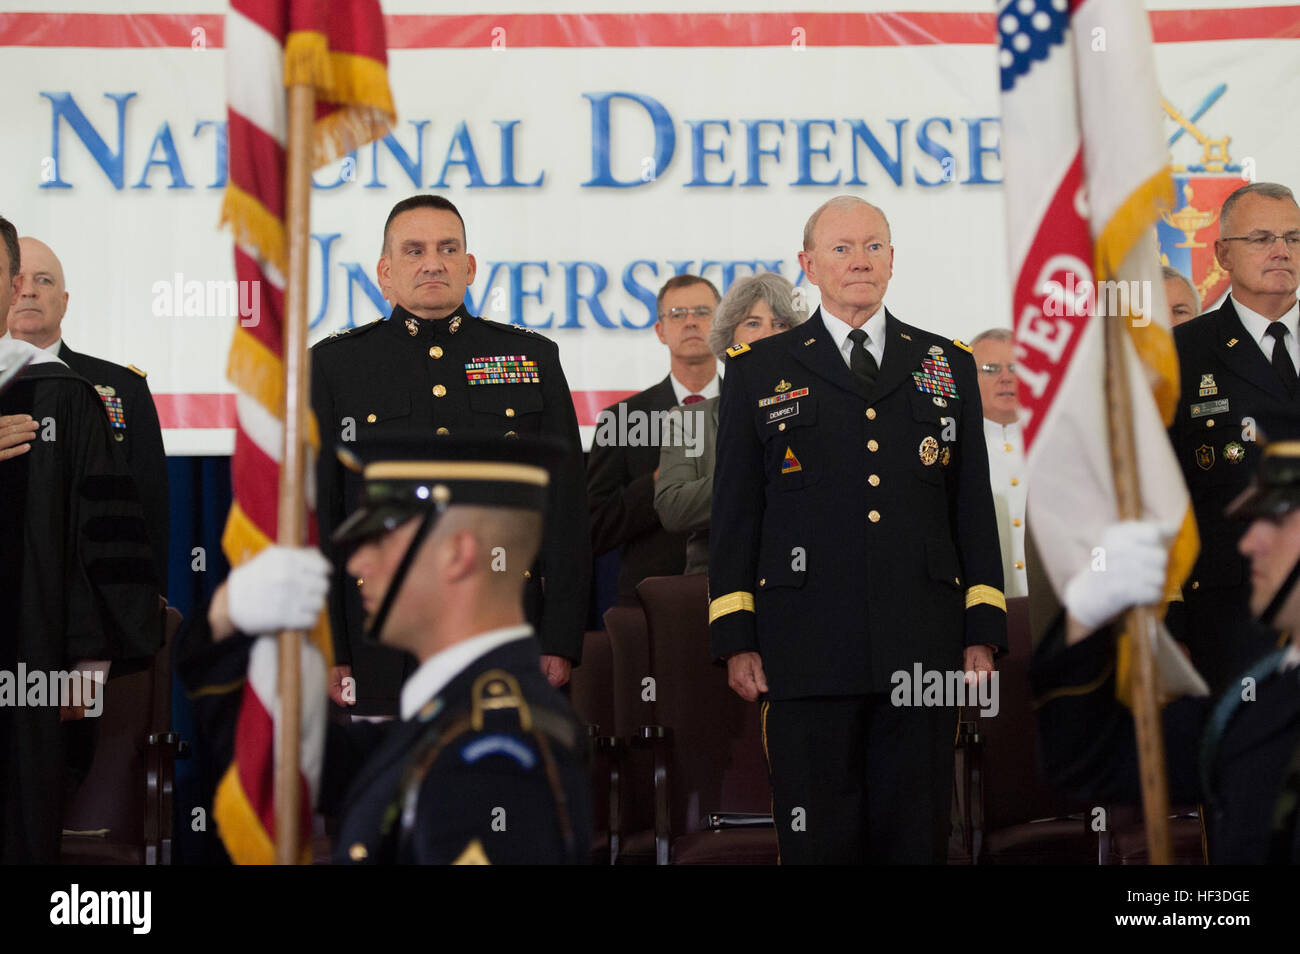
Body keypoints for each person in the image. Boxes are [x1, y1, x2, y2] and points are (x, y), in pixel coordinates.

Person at [708, 195, 1007, 863]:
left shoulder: (946, 364)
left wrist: (981, 630)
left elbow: (969, 507)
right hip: (805, 644)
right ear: (808, 264)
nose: (859, 260)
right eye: (841, 248)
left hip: (921, 641)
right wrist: (735, 635)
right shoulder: (760, 368)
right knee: (821, 843)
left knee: (917, 839)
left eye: (873, 246)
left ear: (894, 261)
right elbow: (736, 513)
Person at [181, 432, 591, 864]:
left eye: (380, 539)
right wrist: (225, 615)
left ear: (457, 553)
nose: (358, 563)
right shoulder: (448, 722)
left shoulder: (493, 756)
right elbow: (271, 758)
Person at [311, 194, 589, 715]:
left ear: (470, 266)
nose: (433, 262)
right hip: (379, 633)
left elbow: (566, 509)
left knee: (500, 781)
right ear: (385, 273)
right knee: (391, 788)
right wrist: (330, 646)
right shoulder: (334, 367)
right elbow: (321, 513)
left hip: (506, 625)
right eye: (413, 250)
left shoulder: (532, 357)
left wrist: (560, 638)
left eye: (447, 248)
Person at [1032, 440, 1300, 862]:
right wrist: (1086, 612)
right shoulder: (1257, 707)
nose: (1250, 542)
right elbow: (1086, 759)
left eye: (1278, 519)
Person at [0, 214, 162, 862]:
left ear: (11, 287)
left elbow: (106, 541)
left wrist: (87, 663)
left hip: (24, 675)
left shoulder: (61, 397)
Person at [1170, 181, 1300, 691]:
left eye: (1293, 237)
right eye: (1262, 237)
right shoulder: (1181, 355)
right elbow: (1161, 499)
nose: (1281, 250)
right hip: (1231, 615)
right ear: (1222, 252)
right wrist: (1170, 618)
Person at [4, 237, 170, 593]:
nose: (28, 291)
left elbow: (149, 511)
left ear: (64, 303)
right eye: (18, 280)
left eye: (44, 280)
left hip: (89, 607)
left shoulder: (121, 388)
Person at [653, 272, 807, 574]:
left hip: (807, 575)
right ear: (728, 337)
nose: (767, 335)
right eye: (752, 323)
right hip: (718, 581)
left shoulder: (822, 408)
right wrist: (758, 473)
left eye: (780, 324)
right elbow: (672, 508)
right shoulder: (689, 419)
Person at [588, 274, 721, 604]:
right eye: (677, 314)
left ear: (722, 326)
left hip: (738, 594)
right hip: (651, 605)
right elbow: (595, 527)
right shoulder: (621, 419)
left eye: (703, 312)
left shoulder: (749, 408)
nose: (691, 322)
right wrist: (660, 482)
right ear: (660, 331)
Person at [971, 328, 1028, 598]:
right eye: (991, 369)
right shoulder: (957, 448)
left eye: (1015, 367)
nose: (1006, 378)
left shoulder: (1057, 447)